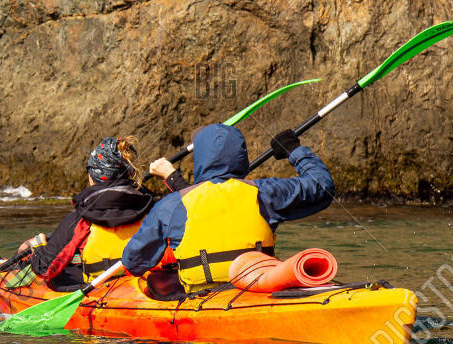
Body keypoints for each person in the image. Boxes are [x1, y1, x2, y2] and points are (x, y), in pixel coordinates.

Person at [121, 123, 333, 297]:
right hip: (258, 290)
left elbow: (134, 262)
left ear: (200, 158)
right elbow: (322, 186)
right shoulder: (264, 192)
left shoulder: (171, 205)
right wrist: (294, 150)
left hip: (201, 298)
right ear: (241, 157)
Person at [12, 137, 156, 293]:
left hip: (101, 291)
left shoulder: (81, 220)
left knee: (58, 271)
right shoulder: (153, 208)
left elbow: (44, 267)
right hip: (147, 285)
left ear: (93, 175)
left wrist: (39, 244)